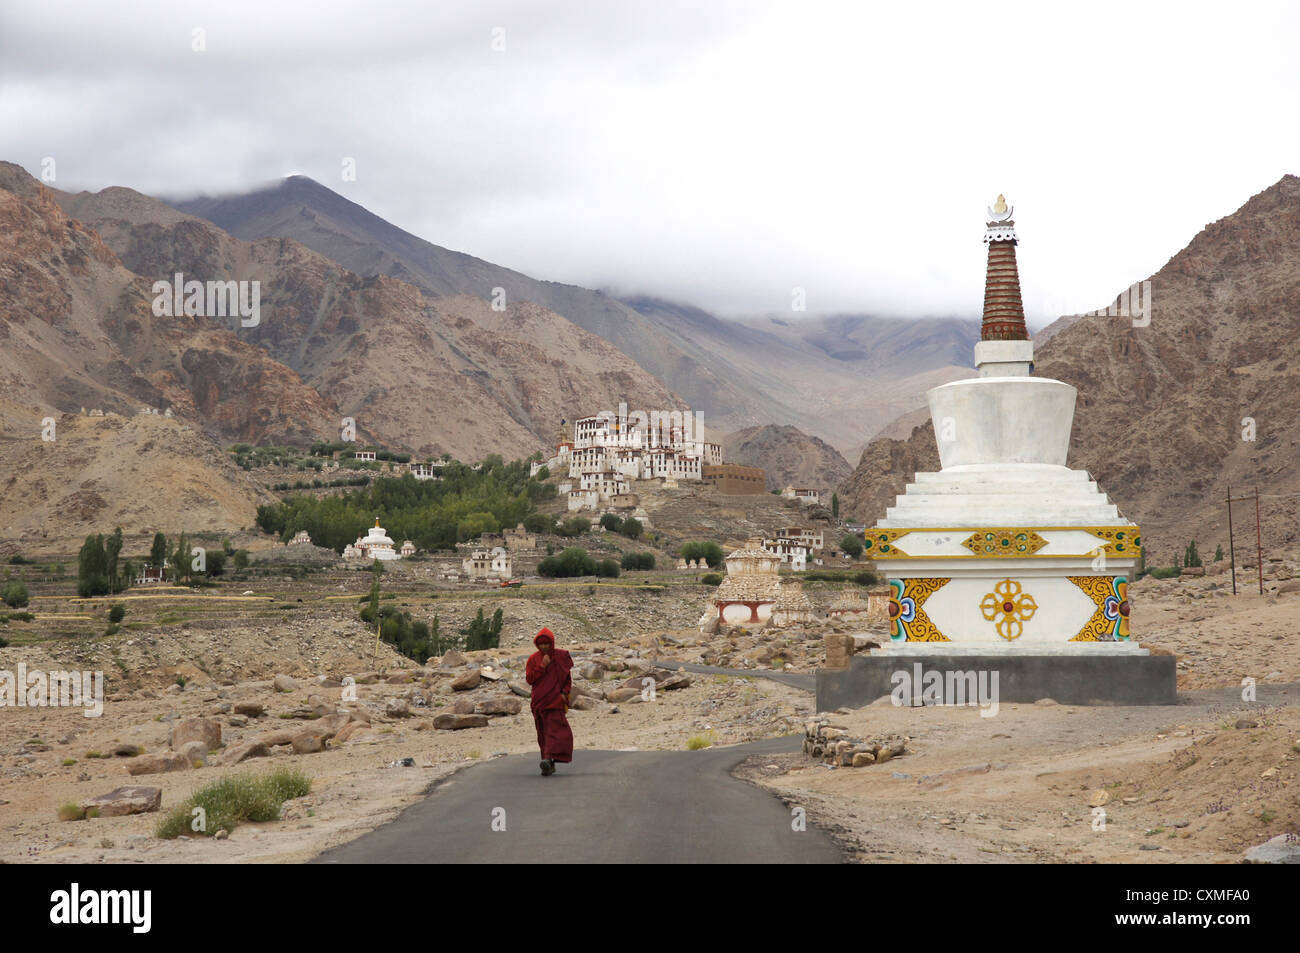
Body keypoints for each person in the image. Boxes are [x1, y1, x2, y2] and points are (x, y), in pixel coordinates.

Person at [525, 627, 573, 776]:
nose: (544, 647)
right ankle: (548, 762)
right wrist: (542, 666)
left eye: (547, 643)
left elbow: (567, 678)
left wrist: (565, 693)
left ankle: (547, 759)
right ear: (537, 645)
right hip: (539, 701)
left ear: (552, 643)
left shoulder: (561, 656)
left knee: (556, 731)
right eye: (541, 644)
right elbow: (530, 679)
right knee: (543, 732)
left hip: (555, 701)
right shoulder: (533, 659)